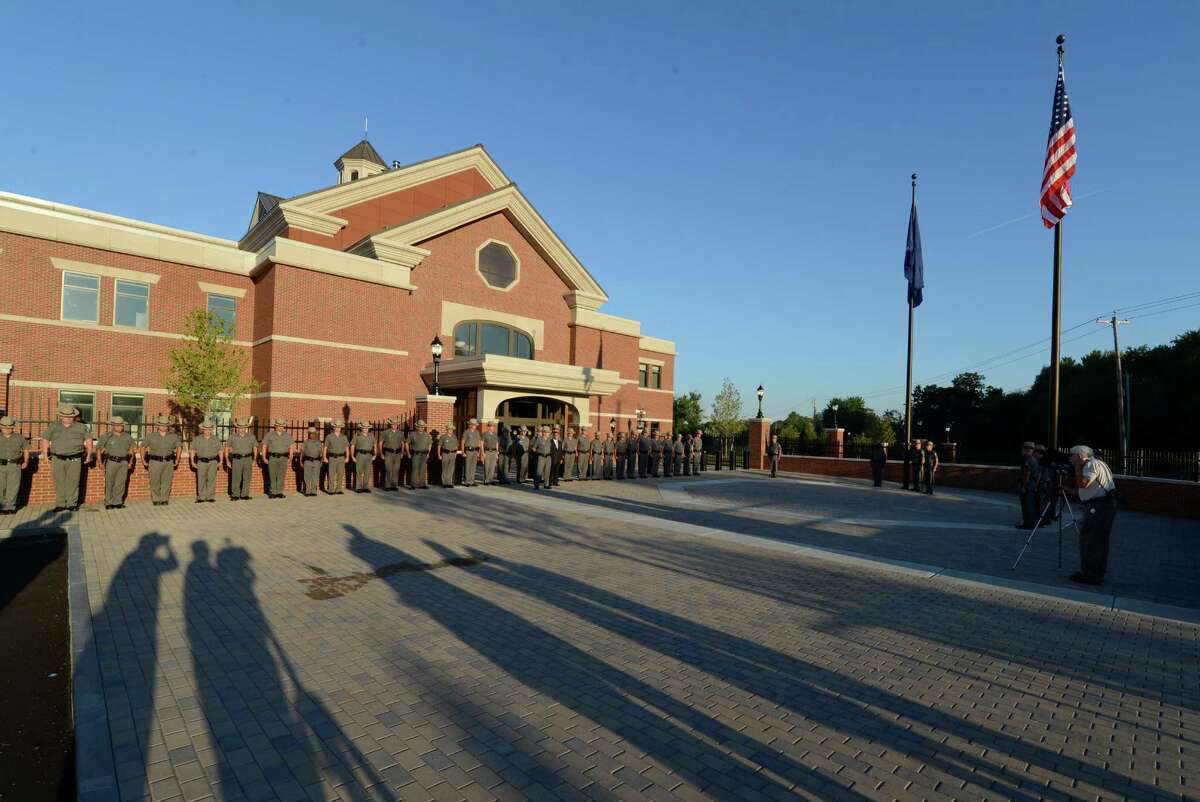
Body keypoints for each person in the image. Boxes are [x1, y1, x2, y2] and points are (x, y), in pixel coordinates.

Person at [1069, 445, 1118, 586]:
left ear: (1079, 456)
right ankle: (1094, 573)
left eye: (1072, 455)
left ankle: (1090, 575)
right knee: (1099, 542)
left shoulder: (1090, 465)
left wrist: (1077, 469)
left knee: (1091, 541)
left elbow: (1084, 483)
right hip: (1103, 506)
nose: (1070, 459)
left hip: (1098, 508)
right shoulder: (1099, 463)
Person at [41, 403, 93, 511]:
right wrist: (45, 455)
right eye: (65, 416)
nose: (68, 418)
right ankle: (60, 504)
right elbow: (45, 439)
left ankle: (71, 504)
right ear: (60, 416)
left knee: (73, 482)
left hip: (75, 459)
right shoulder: (53, 426)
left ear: (74, 416)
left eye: (70, 416)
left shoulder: (81, 427)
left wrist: (89, 455)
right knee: (59, 482)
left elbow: (89, 441)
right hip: (57, 459)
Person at [97, 415, 135, 509]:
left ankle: (118, 502)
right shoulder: (106, 436)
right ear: (113, 426)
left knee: (121, 482)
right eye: (118, 425)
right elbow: (98, 449)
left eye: (121, 425)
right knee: (110, 482)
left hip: (123, 462)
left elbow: (132, 450)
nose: (120, 427)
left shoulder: (127, 437)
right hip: (111, 462)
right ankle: (108, 502)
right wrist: (100, 462)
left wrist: (130, 462)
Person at [141, 415, 180, 506]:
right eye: (162, 425)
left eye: (166, 425)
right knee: (154, 480)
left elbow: (179, 447)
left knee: (167, 481)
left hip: (168, 461)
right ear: (158, 426)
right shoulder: (151, 436)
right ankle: (156, 499)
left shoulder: (173, 436)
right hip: (155, 462)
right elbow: (142, 447)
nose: (164, 427)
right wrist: (143, 460)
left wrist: (177, 459)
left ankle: (164, 499)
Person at [0, 415, 30, 515]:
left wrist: (26, 461)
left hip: (15, 465)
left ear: (13, 427)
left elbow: (26, 449)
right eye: (5, 427)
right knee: (1, 487)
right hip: (0, 465)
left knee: (13, 487)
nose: (7, 429)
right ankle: (2, 506)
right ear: (1, 427)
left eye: (9, 427)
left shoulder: (19, 438)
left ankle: (11, 507)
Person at [189, 420, 223, 503]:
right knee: (201, 479)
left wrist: (221, 461)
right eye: (206, 429)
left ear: (211, 430)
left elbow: (220, 451)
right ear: (203, 429)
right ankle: (201, 497)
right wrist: (192, 461)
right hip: (201, 462)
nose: (208, 431)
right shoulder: (197, 439)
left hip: (213, 462)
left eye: (209, 429)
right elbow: (192, 450)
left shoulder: (216, 439)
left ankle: (210, 496)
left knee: (211, 479)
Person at [224, 418, 258, 500]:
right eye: (240, 428)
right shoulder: (232, 437)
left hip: (248, 459)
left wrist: (254, 459)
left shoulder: (251, 436)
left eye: (243, 428)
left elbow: (255, 448)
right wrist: (227, 460)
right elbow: (226, 448)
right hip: (237, 459)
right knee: (236, 477)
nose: (242, 429)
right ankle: (235, 495)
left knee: (247, 477)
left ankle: (245, 494)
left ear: (246, 428)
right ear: (237, 428)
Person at [261, 419, 295, 499]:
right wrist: (264, 457)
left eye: (282, 426)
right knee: (272, 475)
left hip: (284, 458)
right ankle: (273, 492)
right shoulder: (269, 435)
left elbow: (291, 446)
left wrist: (290, 456)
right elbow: (264, 446)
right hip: (273, 457)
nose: (280, 427)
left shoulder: (287, 435)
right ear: (275, 426)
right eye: (279, 426)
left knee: (281, 475)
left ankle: (279, 492)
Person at [1015, 441, 1039, 529]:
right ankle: (1030, 523)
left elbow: (1026, 474)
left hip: (1027, 486)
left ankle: (1028, 524)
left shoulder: (1028, 460)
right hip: (1032, 485)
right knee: (1030, 505)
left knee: (1027, 506)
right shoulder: (1034, 460)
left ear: (1025, 450)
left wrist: (1023, 486)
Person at [323, 421, 350, 494]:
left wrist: (347, 457)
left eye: (339, 427)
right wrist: (324, 457)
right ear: (334, 427)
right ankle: (331, 489)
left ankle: (338, 489)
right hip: (332, 457)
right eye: (336, 427)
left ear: (341, 428)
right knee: (331, 474)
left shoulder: (344, 437)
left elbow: (347, 448)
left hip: (341, 458)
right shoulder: (329, 436)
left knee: (340, 474)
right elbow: (325, 447)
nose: (338, 428)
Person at [379, 418, 405, 491]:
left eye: (396, 424)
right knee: (388, 469)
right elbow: (380, 443)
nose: (394, 426)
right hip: (388, 453)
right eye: (393, 424)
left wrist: (402, 453)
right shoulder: (385, 432)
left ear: (397, 425)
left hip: (397, 453)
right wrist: (381, 453)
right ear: (391, 425)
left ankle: (394, 485)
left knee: (396, 469)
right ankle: (387, 486)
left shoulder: (400, 433)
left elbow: (403, 443)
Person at [406, 419, 431, 489]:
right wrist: (408, 453)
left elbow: (430, 444)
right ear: (417, 427)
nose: (421, 428)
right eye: (420, 426)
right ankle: (413, 484)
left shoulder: (426, 435)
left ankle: (422, 484)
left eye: (423, 427)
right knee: (415, 469)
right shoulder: (412, 434)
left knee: (423, 469)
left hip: (424, 454)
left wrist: (428, 453)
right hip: (416, 454)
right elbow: (406, 443)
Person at [299, 427, 323, 496]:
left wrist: (321, 461)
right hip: (307, 461)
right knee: (307, 476)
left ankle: (313, 491)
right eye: (310, 434)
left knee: (315, 476)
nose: (311, 435)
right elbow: (302, 452)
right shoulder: (305, 442)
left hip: (317, 461)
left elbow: (321, 453)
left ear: (316, 434)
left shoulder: (319, 442)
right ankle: (307, 491)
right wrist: (300, 461)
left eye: (313, 434)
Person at [351, 422, 374, 493]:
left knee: (367, 471)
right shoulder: (357, 435)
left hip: (369, 455)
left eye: (367, 428)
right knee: (359, 471)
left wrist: (375, 455)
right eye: (364, 428)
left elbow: (375, 445)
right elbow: (352, 446)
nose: (365, 429)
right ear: (361, 428)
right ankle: (358, 487)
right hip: (360, 454)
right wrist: (352, 456)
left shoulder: (371, 435)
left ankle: (366, 487)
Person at [461, 419, 482, 486]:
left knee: (473, 466)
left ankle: (472, 481)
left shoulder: (477, 432)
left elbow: (479, 442)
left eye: (475, 425)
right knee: (468, 466)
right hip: (468, 451)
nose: (475, 426)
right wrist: (463, 452)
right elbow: (462, 442)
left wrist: (479, 451)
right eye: (474, 425)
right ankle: (467, 481)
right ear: (470, 425)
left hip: (475, 451)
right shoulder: (466, 432)